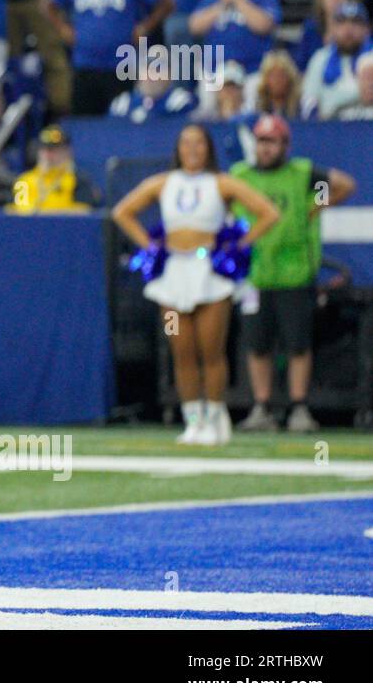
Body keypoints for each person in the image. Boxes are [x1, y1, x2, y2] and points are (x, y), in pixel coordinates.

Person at [112, 123, 279, 446]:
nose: (192, 149)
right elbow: (123, 212)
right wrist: (149, 244)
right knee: (181, 349)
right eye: (185, 143)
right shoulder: (163, 183)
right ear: (177, 149)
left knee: (211, 350)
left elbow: (268, 212)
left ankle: (216, 417)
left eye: (199, 143)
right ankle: (192, 421)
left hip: (209, 275)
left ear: (209, 148)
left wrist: (241, 244)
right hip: (172, 276)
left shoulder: (222, 183)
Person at [232, 114, 357, 432]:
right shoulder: (241, 175)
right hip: (255, 273)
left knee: (297, 344)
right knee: (257, 344)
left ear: (284, 145)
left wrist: (315, 205)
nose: (266, 147)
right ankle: (262, 406)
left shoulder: (301, 174)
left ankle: (298, 406)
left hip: (294, 271)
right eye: (261, 141)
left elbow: (345, 184)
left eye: (272, 141)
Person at [47, 0, 173, 115]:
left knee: (120, 121)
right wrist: (63, 28)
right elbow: (48, 4)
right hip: (85, 63)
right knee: (84, 123)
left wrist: (145, 26)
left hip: (121, 65)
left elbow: (166, 4)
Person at [8, 125, 101, 214]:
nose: (48, 155)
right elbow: (15, 210)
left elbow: (85, 212)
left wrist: (44, 214)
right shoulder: (24, 181)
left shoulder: (77, 179)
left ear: (67, 151)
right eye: (44, 149)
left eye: (54, 150)